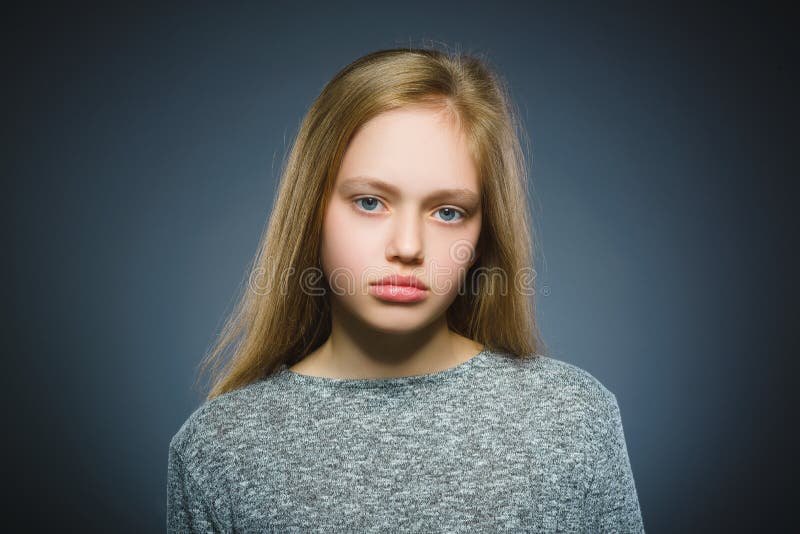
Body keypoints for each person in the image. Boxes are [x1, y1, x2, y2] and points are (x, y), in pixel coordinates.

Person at [167, 46, 645, 532]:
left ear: (482, 236)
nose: (409, 247)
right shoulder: (219, 450)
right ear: (312, 211)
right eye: (371, 202)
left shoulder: (572, 419)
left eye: (448, 212)